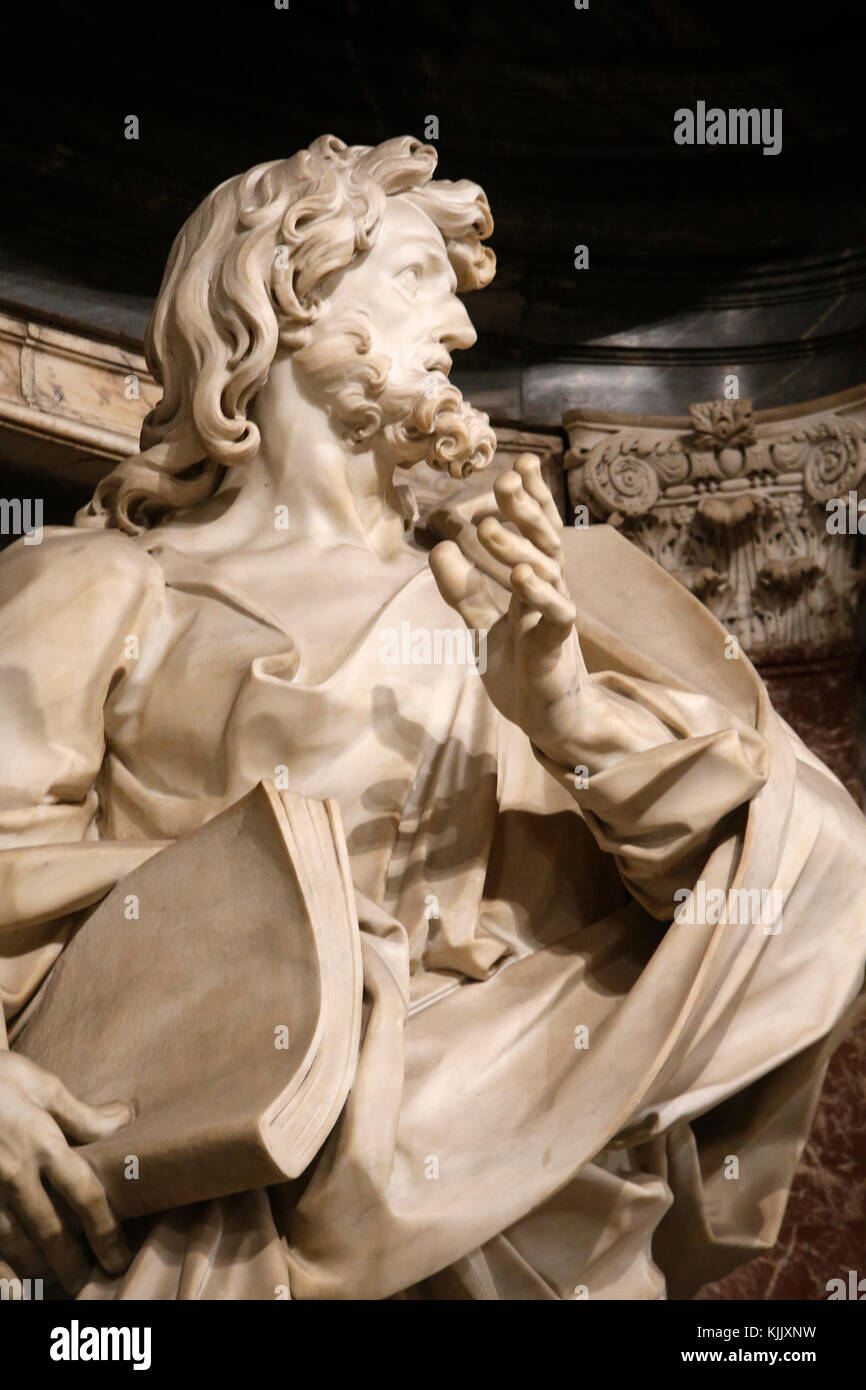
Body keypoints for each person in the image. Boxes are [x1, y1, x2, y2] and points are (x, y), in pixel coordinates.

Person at [1, 134, 864, 1300]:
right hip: (208, 1185)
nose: (459, 332)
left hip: (507, 1158)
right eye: (413, 279)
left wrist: (559, 708)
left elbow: (775, 881)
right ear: (282, 299)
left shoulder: (515, 592)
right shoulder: (107, 584)